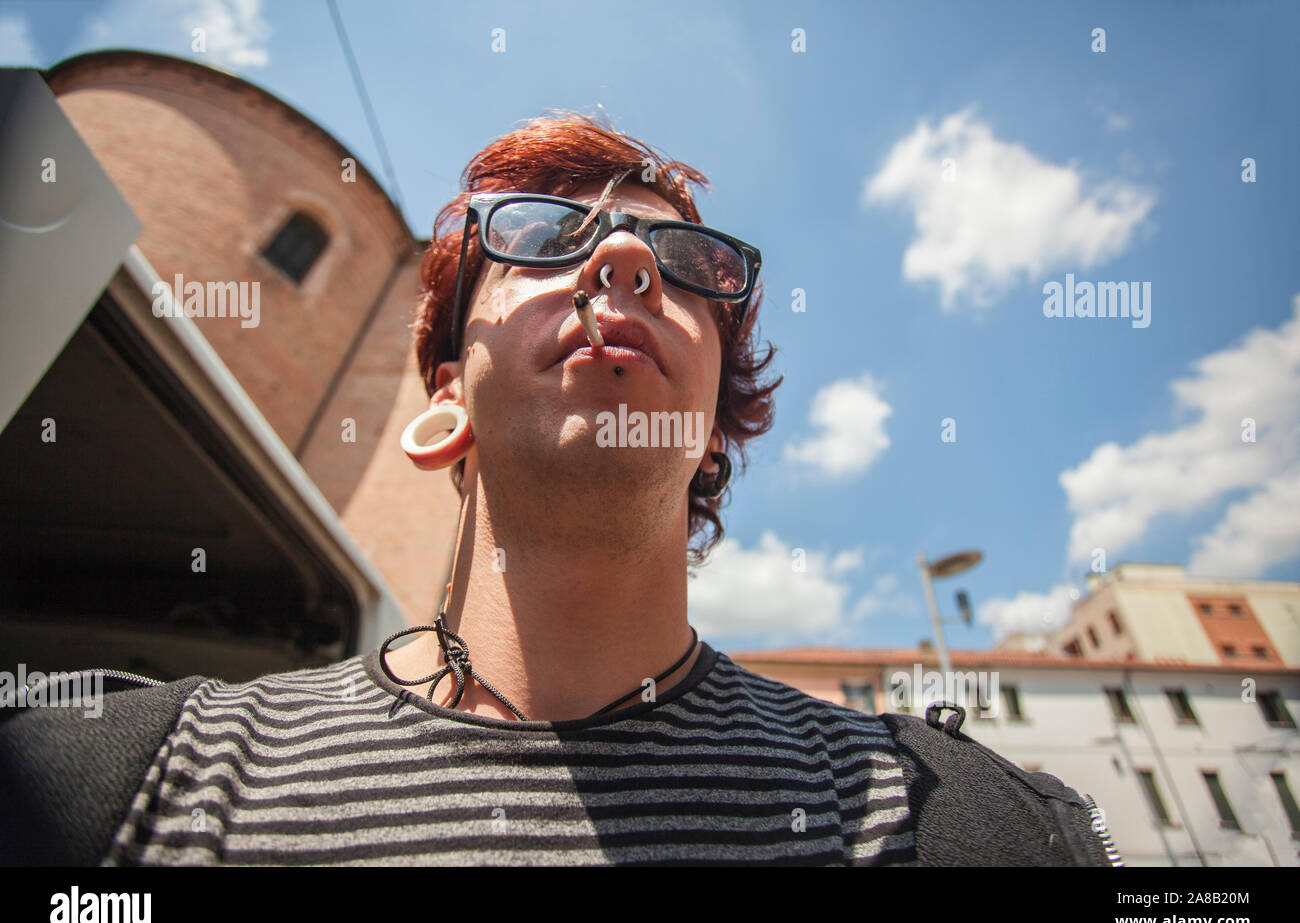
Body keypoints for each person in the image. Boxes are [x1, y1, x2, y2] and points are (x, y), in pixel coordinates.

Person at [0, 112, 1120, 867]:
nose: (622, 264)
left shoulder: (967, 827)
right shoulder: (109, 785)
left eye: (688, 267)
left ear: (712, 441)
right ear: (442, 407)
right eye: (540, 239)